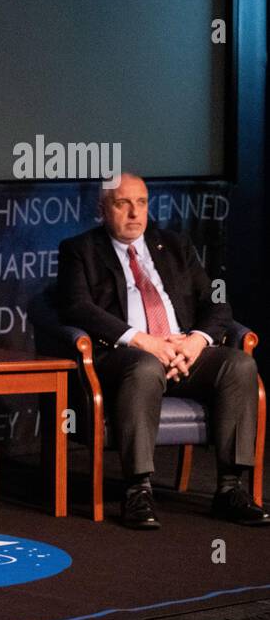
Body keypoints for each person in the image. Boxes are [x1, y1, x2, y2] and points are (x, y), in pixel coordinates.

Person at [57, 173, 268, 529]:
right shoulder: (80, 250)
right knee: (144, 368)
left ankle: (230, 490)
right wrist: (143, 340)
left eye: (141, 202)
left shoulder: (173, 245)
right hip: (125, 357)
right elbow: (77, 307)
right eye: (122, 203)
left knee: (239, 365)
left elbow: (216, 303)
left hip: (183, 352)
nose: (134, 213)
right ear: (102, 209)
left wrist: (195, 341)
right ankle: (137, 491)